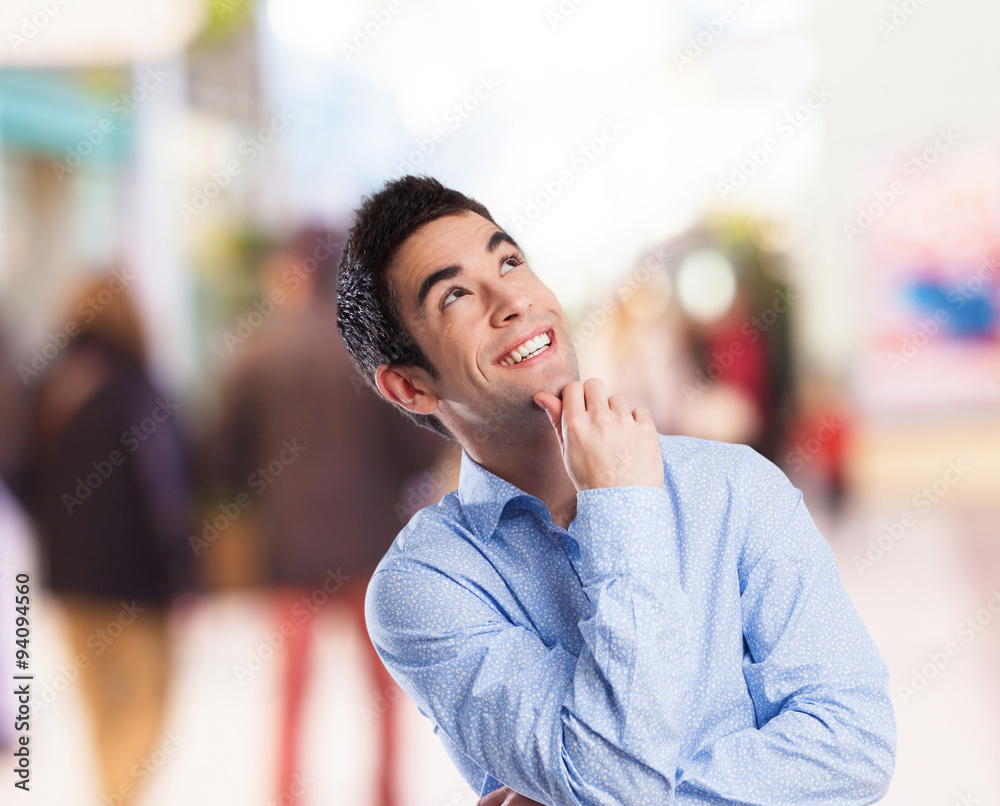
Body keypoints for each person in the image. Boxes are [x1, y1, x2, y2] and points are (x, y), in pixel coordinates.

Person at [335, 176, 896, 805]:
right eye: (456, 295)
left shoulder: (734, 487)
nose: (512, 299)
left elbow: (855, 742)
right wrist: (623, 507)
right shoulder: (428, 584)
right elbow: (610, 782)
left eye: (510, 261)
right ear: (410, 387)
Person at [4, 273, 196, 805]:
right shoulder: (138, 389)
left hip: (69, 584)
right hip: (137, 585)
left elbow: (19, 476)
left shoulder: (45, 388)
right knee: (144, 708)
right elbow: (167, 493)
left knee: (101, 713)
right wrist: (182, 572)